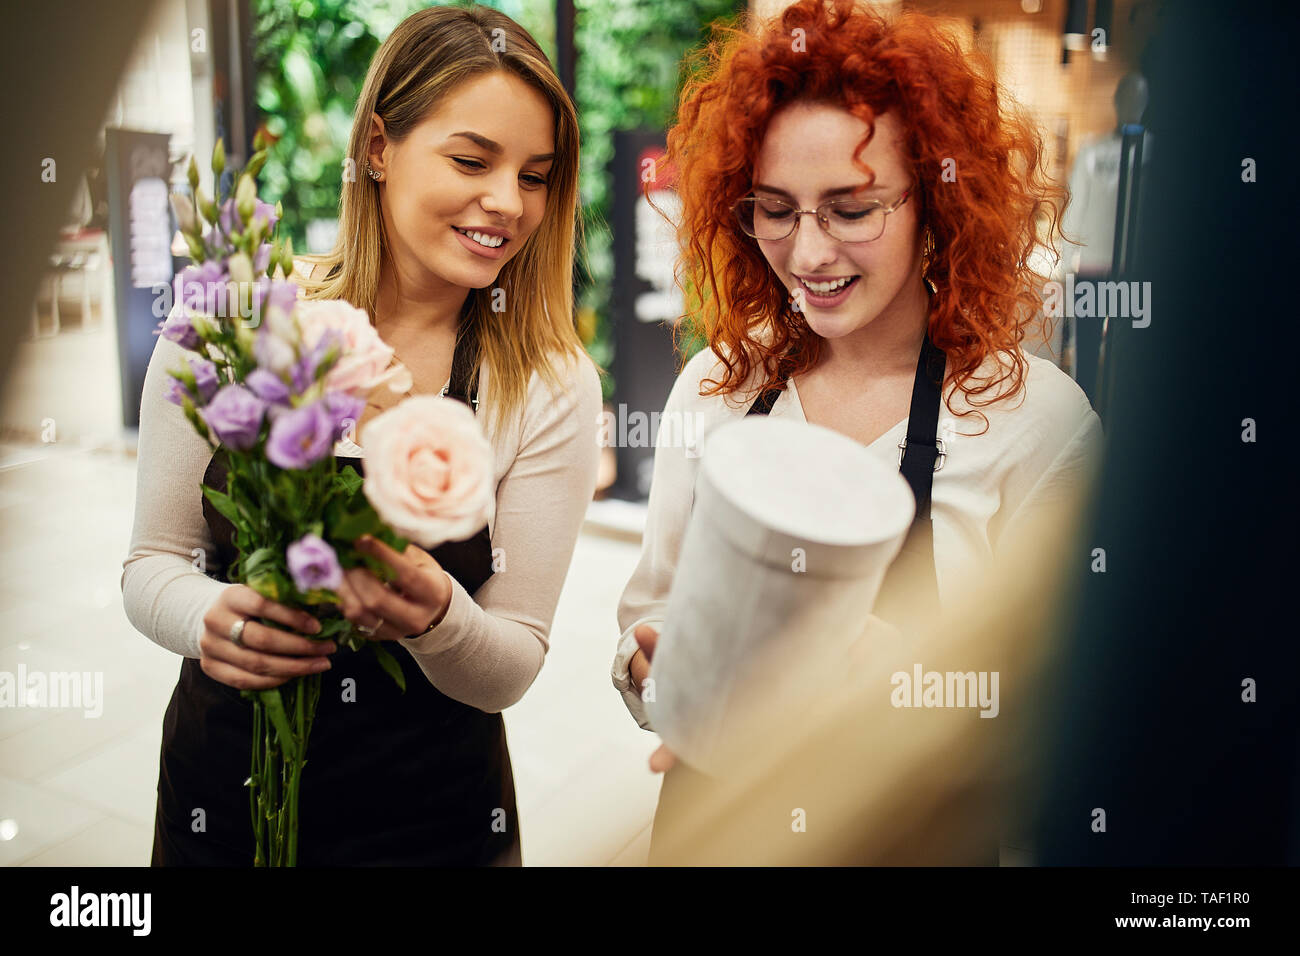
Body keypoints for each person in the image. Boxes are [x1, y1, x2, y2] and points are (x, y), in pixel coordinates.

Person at [609, 0, 1103, 863]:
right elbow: (652, 609)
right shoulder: (717, 391)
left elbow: (1073, 723)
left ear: (935, 202)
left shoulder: (1038, 424)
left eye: (851, 208)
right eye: (776, 209)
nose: (807, 254)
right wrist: (660, 669)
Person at [122, 4, 601, 866]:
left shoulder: (547, 380)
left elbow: (512, 663)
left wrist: (434, 617)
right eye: (470, 159)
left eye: (536, 176)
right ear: (378, 146)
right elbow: (151, 566)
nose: (508, 204)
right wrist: (213, 616)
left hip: (435, 825)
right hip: (224, 804)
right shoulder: (242, 319)